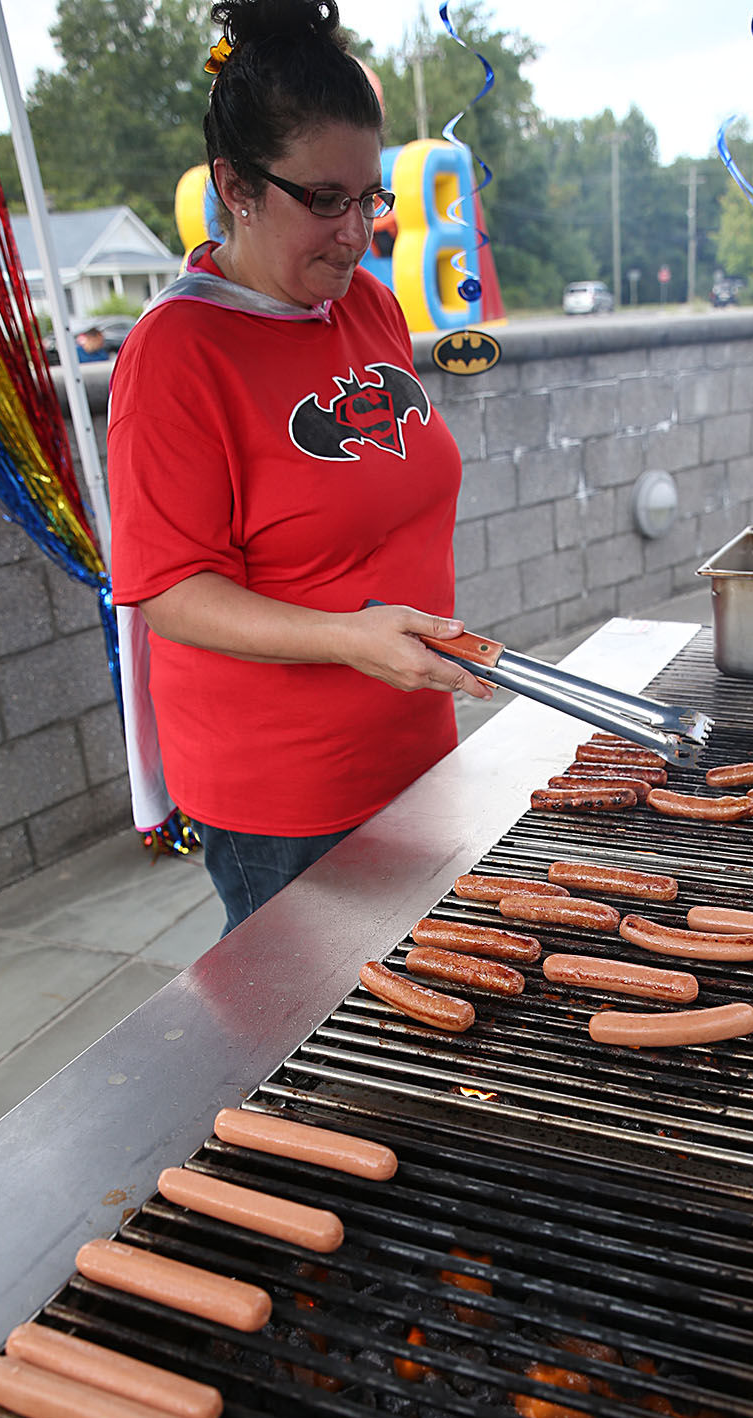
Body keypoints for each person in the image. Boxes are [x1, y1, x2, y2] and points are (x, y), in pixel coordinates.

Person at [107, 0, 490, 934]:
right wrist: (351, 639)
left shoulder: (365, 305)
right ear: (235, 185)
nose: (356, 232)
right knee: (319, 1051)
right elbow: (169, 591)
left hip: (413, 741)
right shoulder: (177, 354)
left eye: (370, 198)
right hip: (282, 796)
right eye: (324, 199)